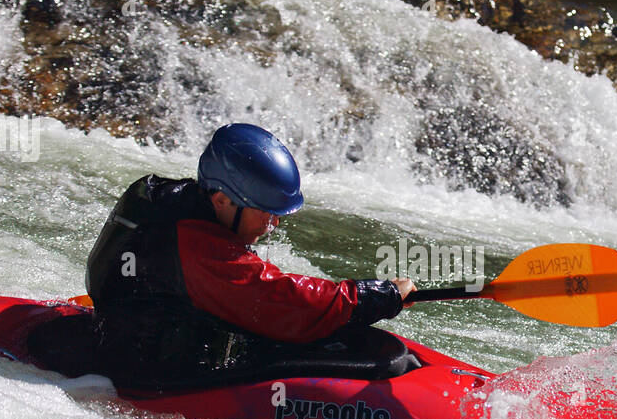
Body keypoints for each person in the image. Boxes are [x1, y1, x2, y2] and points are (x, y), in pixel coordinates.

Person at [84, 123, 414, 386]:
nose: (273, 224)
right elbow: (281, 302)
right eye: (265, 212)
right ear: (221, 200)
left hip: (140, 343)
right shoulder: (193, 242)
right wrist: (377, 296)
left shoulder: (192, 204)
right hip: (151, 378)